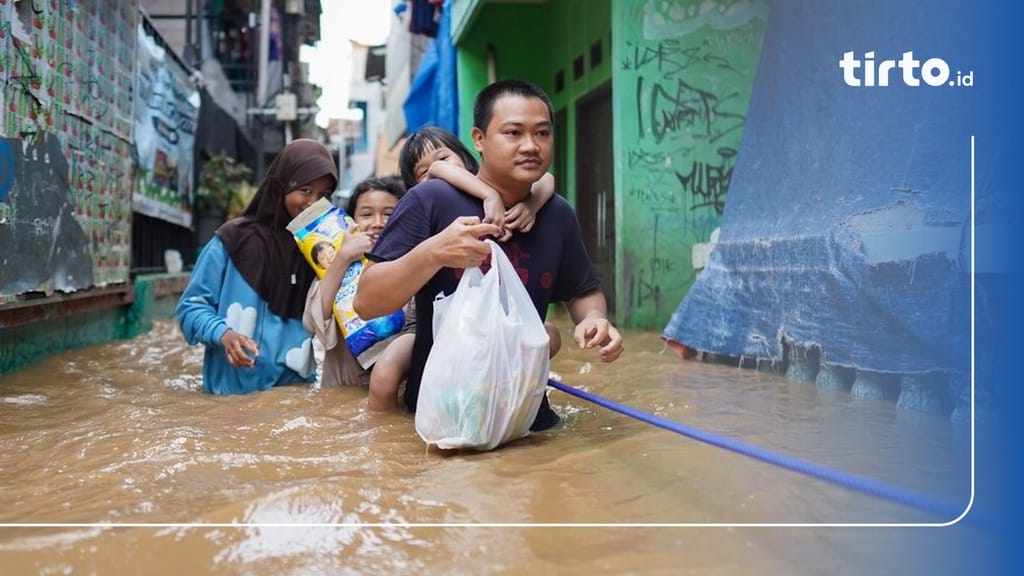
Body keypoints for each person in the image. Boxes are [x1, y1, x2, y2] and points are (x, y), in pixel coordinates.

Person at [354, 79, 623, 431]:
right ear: (479, 139)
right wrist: (434, 252)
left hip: (528, 422)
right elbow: (367, 302)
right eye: (513, 133)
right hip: (440, 425)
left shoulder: (557, 213)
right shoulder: (429, 200)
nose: (531, 146)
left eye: (542, 133)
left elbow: (582, 292)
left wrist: (594, 320)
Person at [176, 139, 336, 394]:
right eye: (305, 190)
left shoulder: (322, 252)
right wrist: (224, 334)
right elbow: (190, 308)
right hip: (228, 399)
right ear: (281, 186)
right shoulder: (231, 241)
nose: (313, 203)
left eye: (324, 195)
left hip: (294, 397)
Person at [398, 125, 562, 356]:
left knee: (549, 334)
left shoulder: (494, 192)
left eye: (444, 157)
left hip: (494, 310)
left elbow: (546, 178)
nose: (437, 169)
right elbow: (437, 168)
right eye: (422, 172)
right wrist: (490, 195)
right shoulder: (428, 204)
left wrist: (531, 206)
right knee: (389, 366)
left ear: (466, 159)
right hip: (431, 317)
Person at [302, 176, 411, 410]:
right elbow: (312, 323)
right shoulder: (334, 269)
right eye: (367, 214)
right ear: (351, 221)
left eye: (388, 213)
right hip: (339, 403)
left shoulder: (413, 264)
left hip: (394, 400)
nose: (377, 223)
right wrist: (343, 257)